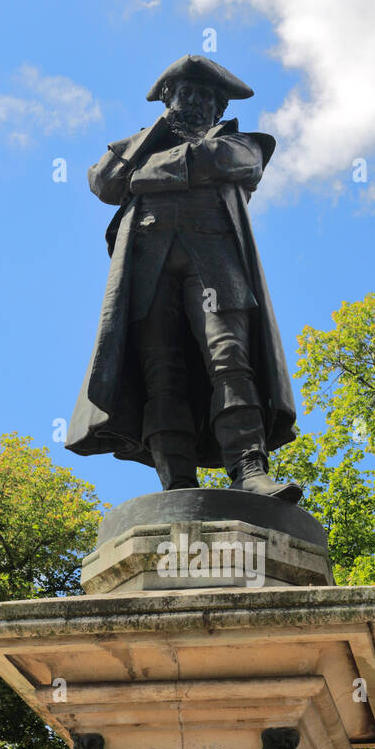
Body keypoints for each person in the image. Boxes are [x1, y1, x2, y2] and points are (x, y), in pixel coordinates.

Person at [65, 55, 302, 502]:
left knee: (230, 358)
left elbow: (229, 160)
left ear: (218, 108)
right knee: (161, 374)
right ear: (167, 101)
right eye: (185, 93)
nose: (195, 102)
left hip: (215, 266)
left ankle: (249, 470)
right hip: (147, 268)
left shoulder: (243, 143)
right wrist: (150, 142)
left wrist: (147, 174)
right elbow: (105, 183)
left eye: (206, 97)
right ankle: (177, 483)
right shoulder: (138, 144)